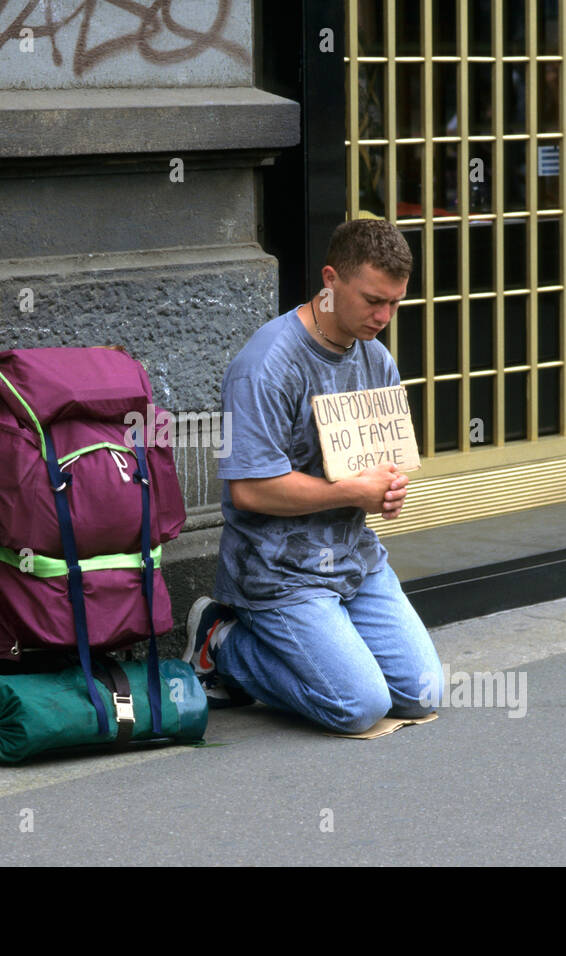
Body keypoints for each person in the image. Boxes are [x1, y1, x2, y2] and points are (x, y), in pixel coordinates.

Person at [183, 218, 444, 734]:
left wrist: (388, 491)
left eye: (395, 303)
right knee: (360, 707)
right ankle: (223, 641)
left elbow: (380, 465)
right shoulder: (264, 365)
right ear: (331, 279)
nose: (384, 316)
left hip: (354, 560)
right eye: (373, 300)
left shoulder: (377, 359)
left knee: (422, 694)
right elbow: (249, 490)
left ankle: (331, 642)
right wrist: (352, 491)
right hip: (278, 572)